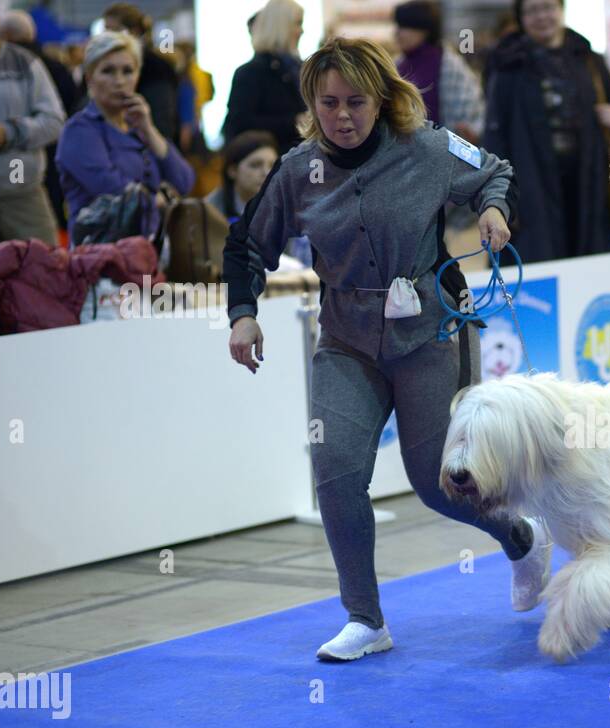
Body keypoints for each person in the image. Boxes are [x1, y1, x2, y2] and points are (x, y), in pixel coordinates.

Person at [221, 37, 552, 662]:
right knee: (336, 474)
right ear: (312, 105)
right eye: (328, 103)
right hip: (346, 341)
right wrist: (243, 315)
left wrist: (493, 210)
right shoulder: (297, 171)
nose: (342, 116)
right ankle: (365, 620)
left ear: (381, 100)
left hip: (432, 332)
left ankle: (520, 535)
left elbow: (495, 170)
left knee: (436, 485)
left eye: (355, 102)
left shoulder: (426, 147)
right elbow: (246, 246)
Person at [482, 0, 610, 263]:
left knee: (589, 265)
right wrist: (500, 197)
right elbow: (495, 135)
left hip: (588, 184)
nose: (541, 16)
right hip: (531, 187)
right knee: (540, 269)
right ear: (521, 18)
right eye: (532, 11)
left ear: (562, 10)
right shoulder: (508, 65)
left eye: (548, 7)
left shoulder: (587, 58)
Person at [55, 30, 194, 227]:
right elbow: (113, 190)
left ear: (138, 76)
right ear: (89, 78)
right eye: (108, 71)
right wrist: (161, 199)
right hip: (99, 250)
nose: (119, 81)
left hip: (151, 248)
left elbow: (184, 181)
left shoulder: (139, 126)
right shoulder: (78, 131)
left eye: (127, 71)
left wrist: (149, 130)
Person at [0, 0, 64, 253]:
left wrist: (9, 133)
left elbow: (54, 122)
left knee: (45, 277)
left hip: (23, 197)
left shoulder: (26, 64)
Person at [222, 0, 306, 156]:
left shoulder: (301, 68)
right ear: (280, 26)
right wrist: (294, 122)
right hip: (271, 165)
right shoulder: (250, 73)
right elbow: (240, 124)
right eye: (297, 23)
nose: (302, 31)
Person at [392, 1, 484, 144]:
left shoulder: (449, 65)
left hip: (442, 152)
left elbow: (471, 114)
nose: (397, 33)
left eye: (405, 26)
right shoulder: (397, 65)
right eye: (398, 25)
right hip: (404, 151)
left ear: (424, 29)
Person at [101, 3, 180, 147]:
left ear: (134, 31)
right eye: (106, 32)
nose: (108, 38)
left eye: (115, 31)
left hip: (149, 149)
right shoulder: (102, 64)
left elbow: (162, 122)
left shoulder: (156, 68)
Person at [206, 130, 277, 222]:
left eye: (272, 166)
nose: (267, 173)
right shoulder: (210, 210)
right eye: (256, 165)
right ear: (232, 171)